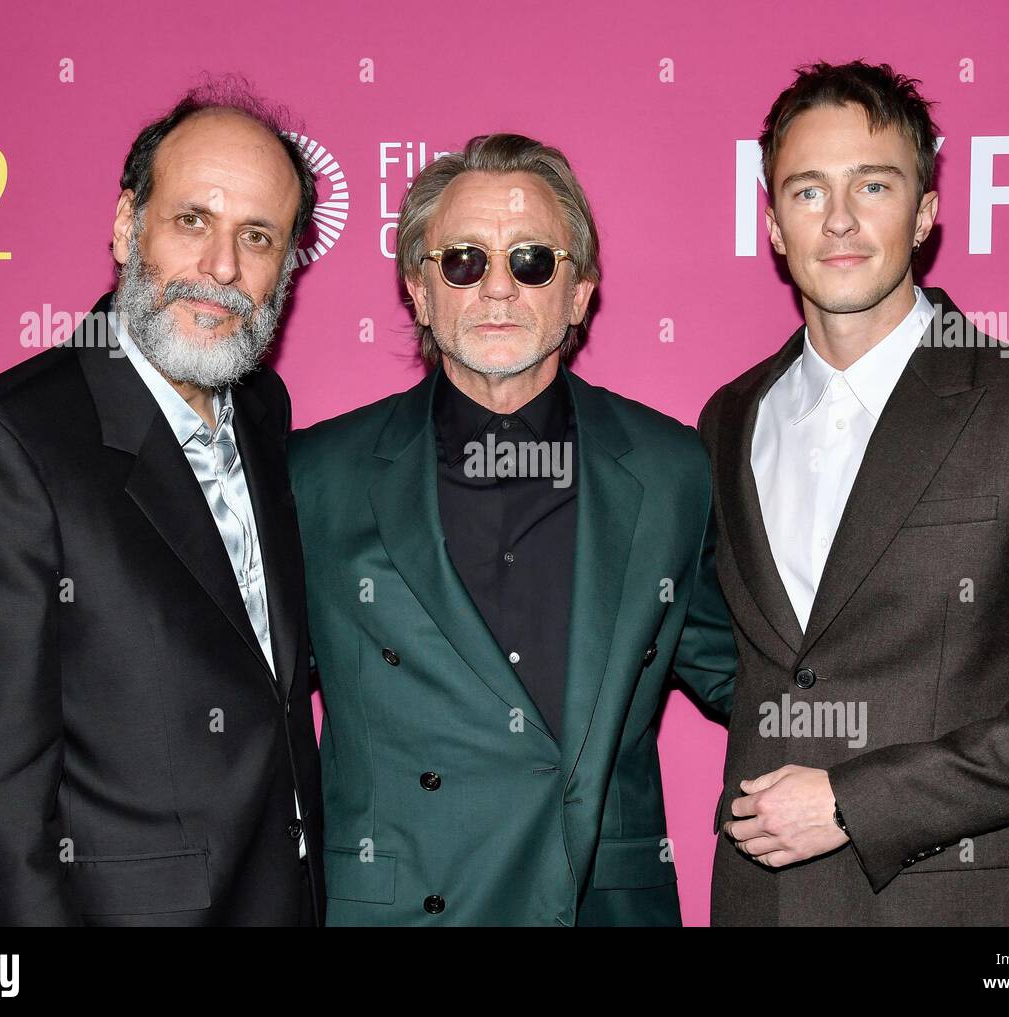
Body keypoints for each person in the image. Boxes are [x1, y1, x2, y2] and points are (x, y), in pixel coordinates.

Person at [700, 60, 1009, 925]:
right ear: (770, 222)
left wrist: (854, 800)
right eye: (807, 192)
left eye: (873, 185)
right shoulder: (728, 418)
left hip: (953, 903)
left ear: (926, 213)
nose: (838, 219)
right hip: (759, 901)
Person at [288, 133, 739, 925]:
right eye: (462, 260)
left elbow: (747, 672)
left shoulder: (672, 470)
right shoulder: (317, 473)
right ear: (420, 293)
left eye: (532, 261)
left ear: (580, 294)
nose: (497, 288)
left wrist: (890, 772)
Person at [0, 78, 325, 925]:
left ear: (286, 266)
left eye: (257, 236)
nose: (222, 268)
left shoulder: (264, 413)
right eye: (192, 222)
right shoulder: (10, 441)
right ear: (124, 225)